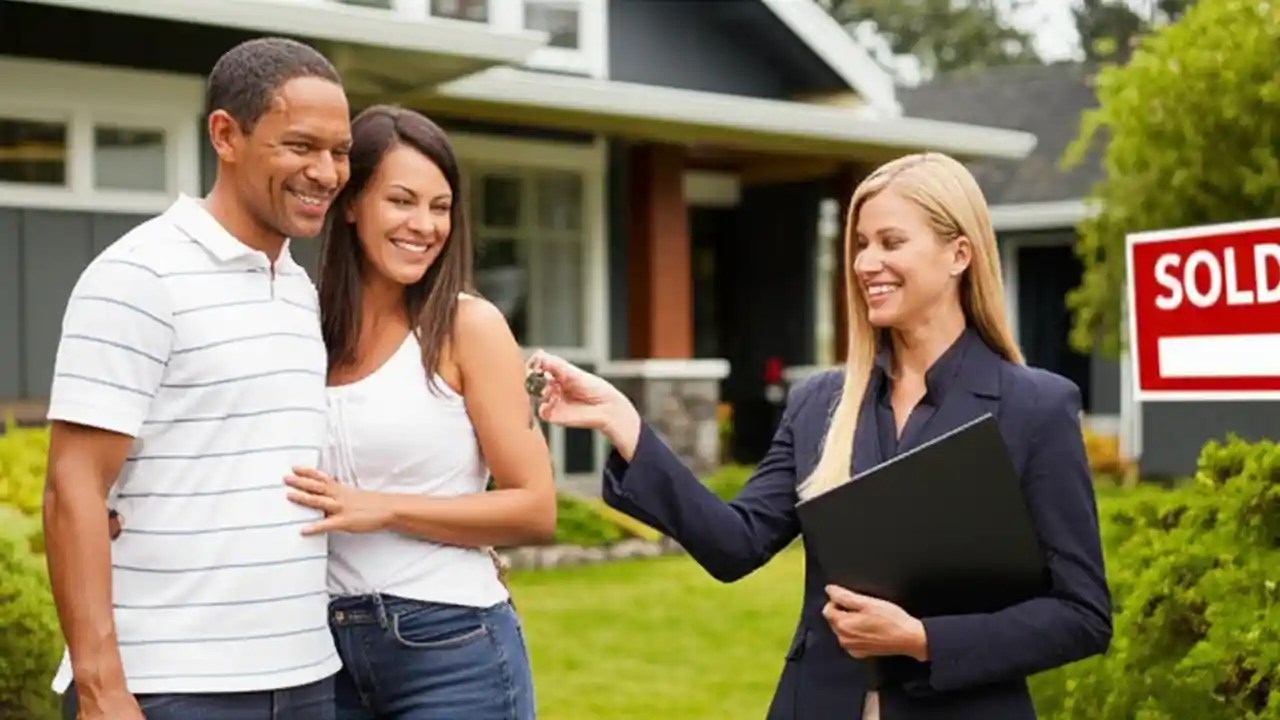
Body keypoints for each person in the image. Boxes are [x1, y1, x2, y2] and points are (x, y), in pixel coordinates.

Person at [527, 152, 1112, 720]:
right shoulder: (821, 403)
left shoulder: (1035, 407)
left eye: (891, 241)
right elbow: (736, 543)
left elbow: (1081, 614)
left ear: (959, 253)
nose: (865, 263)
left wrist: (922, 638)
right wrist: (623, 424)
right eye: (860, 244)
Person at [43, 37, 353, 720]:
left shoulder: (300, 290)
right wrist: (101, 689)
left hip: (303, 677)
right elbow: (73, 488)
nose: (327, 172)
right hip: (169, 687)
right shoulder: (139, 275)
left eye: (340, 151)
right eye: (301, 146)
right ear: (226, 135)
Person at [281, 105, 554, 720]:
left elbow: (535, 505)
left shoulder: (467, 326)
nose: (424, 225)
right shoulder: (299, 326)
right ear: (350, 204)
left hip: (451, 647)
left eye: (439, 206)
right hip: (318, 653)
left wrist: (385, 510)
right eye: (401, 201)